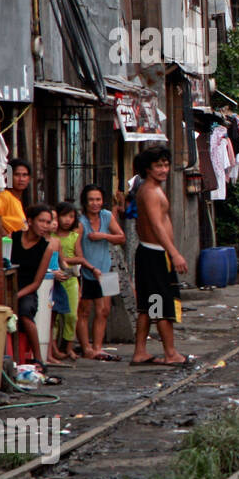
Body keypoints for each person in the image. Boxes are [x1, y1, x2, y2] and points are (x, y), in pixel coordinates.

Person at [131, 146, 191, 367]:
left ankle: (140, 351)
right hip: (155, 255)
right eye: (159, 165)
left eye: (166, 165)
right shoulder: (150, 191)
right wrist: (174, 253)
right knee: (161, 305)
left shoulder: (150, 189)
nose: (164, 169)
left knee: (148, 306)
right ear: (148, 168)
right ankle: (170, 353)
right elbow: (156, 225)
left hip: (151, 253)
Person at [77, 183, 124, 361]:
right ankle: (86, 348)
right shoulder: (80, 221)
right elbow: (77, 249)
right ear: (85, 202)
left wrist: (103, 236)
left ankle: (98, 347)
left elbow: (121, 237)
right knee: (84, 311)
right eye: (91, 200)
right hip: (87, 271)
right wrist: (89, 267)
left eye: (98, 200)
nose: (95, 203)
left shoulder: (107, 216)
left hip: (107, 269)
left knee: (104, 310)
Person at [11, 204, 61, 368]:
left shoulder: (45, 248)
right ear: (30, 221)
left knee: (25, 313)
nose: (45, 226)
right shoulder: (14, 238)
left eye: (48, 222)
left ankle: (38, 358)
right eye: (42, 221)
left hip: (27, 290)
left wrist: (17, 295)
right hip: (9, 286)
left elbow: (36, 283)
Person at [49, 202, 84, 363]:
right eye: (64, 216)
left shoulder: (74, 236)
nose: (67, 220)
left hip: (70, 280)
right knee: (54, 317)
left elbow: (80, 257)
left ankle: (68, 346)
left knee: (71, 316)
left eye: (71, 216)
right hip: (54, 279)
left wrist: (65, 261)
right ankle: (53, 348)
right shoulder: (52, 238)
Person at [0, 158, 31, 235]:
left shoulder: (16, 200)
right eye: (17, 175)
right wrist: (5, 235)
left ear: (29, 179)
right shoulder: (5, 196)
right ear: (9, 177)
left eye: (24, 175)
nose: (21, 179)